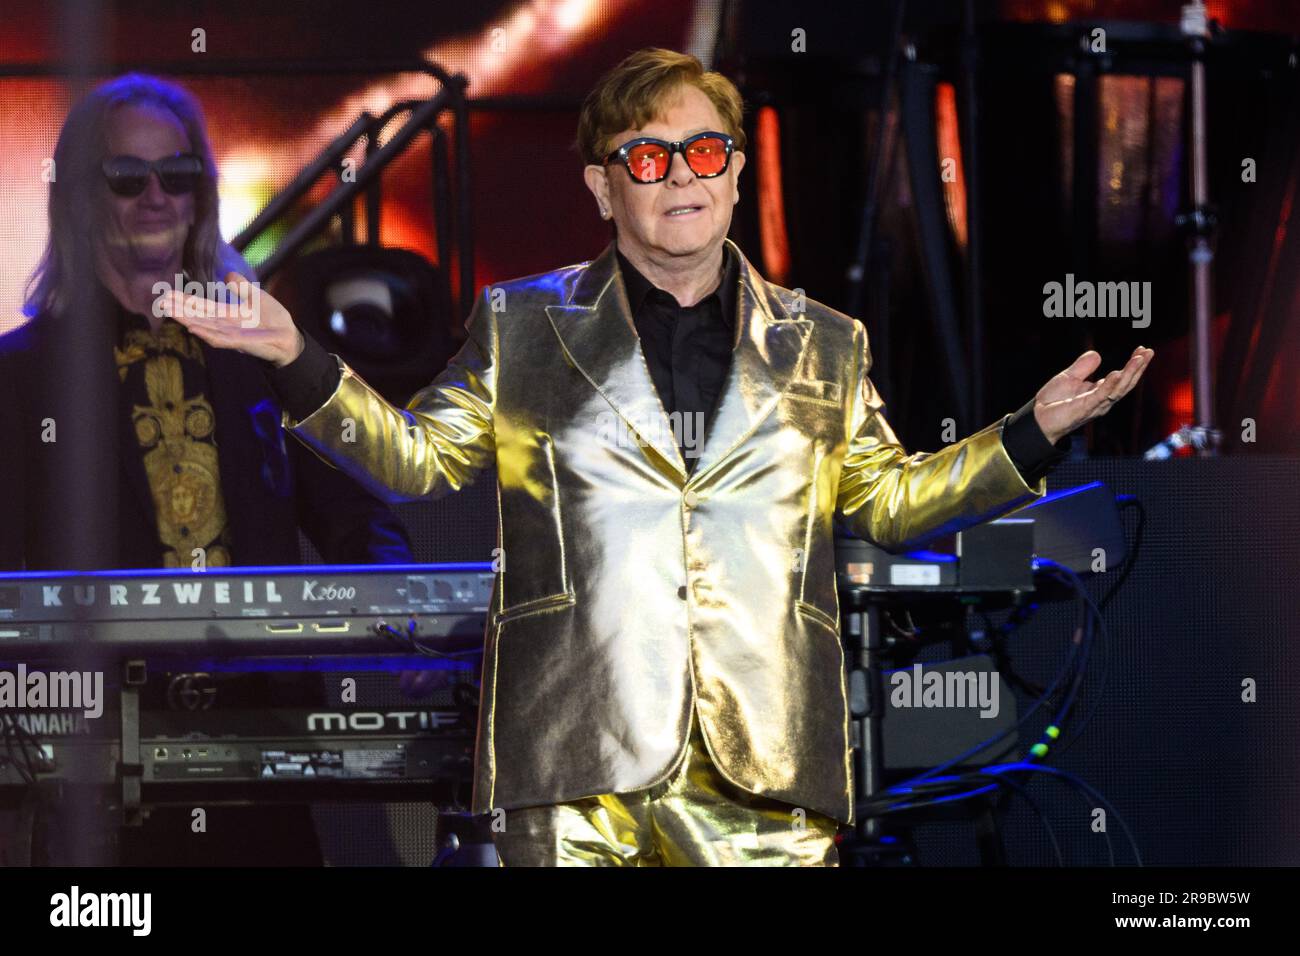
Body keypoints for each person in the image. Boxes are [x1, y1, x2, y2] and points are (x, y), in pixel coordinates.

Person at [164, 48, 1153, 867]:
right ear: (602, 185)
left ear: (735, 174)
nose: (683, 175)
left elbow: (890, 502)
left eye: (705, 151)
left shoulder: (822, 342)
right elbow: (415, 463)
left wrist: (1029, 431)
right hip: (573, 768)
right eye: (648, 156)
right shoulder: (523, 325)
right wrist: (294, 357)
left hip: (764, 770)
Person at [0, 74, 413, 866]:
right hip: (96, 774)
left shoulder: (262, 352)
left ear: (202, 194)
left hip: (266, 759)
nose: (157, 197)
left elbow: (358, 514)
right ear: (80, 198)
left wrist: (414, 625)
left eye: (178, 174)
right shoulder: (21, 376)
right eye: (128, 177)